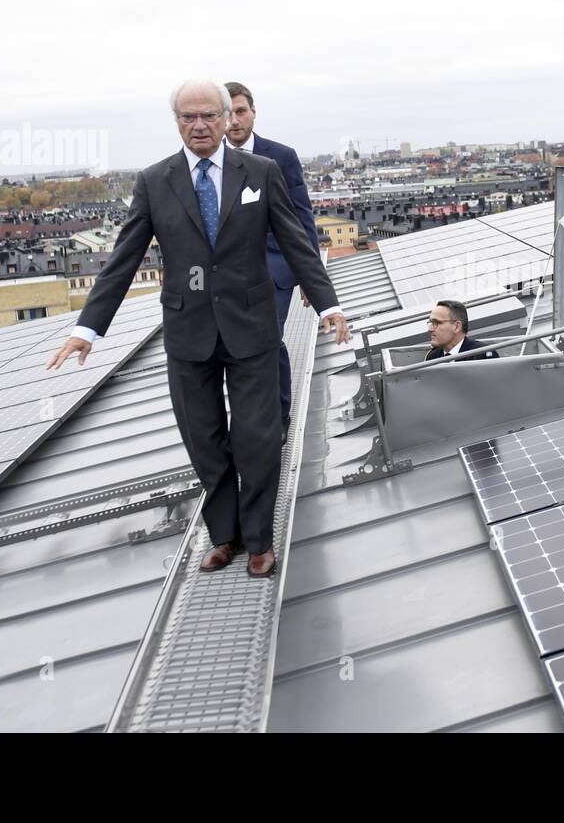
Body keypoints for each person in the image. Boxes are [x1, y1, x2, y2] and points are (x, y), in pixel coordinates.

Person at [46, 80, 351, 578]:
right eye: (189, 117)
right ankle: (223, 536)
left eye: (210, 115)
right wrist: (88, 328)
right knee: (204, 440)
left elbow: (297, 242)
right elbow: (122, 261)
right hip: (188, 332)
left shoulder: (261, 171)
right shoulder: (154, 181)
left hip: (252, 326)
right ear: (177, 121)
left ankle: (258, 540)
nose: (201, 126)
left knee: (256, 437)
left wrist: (327, 305)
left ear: (227, 117)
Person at [224, 81, 319, 430]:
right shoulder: (208, 161)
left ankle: (277, 418)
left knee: (267, 340)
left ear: (253, 112)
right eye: (228, 113)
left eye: (241, 111)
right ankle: (254, 414)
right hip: (230, 274)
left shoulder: (281, 156)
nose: (234, 120)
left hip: (275, 269)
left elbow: (301, 215)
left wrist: (311, 275)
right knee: (237, 346)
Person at [423, 299, 499, 363]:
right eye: (431, 323)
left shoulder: (483, 355)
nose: (430, 329)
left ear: (456, 326)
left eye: (436, 323)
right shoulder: (432, 356)